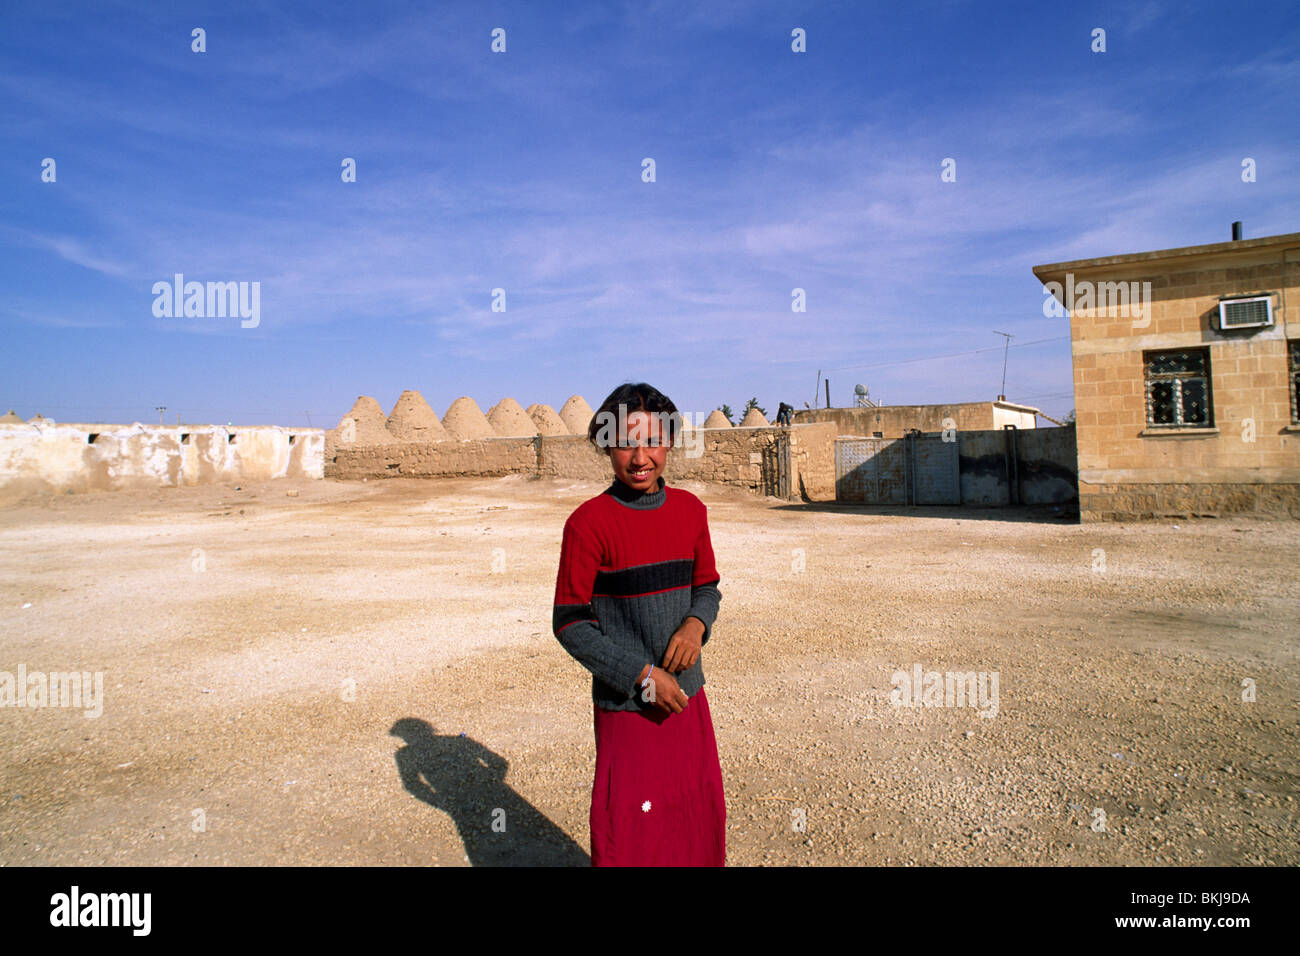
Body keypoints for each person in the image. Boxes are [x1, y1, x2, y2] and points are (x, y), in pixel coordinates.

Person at [551, 382, 726, 866]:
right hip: (628, 709)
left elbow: (707, 586)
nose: (640, 457)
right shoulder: (588, 524)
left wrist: (696, 625)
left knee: (693, 819)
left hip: (687, 701)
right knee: (629, 830)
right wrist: (642, 676)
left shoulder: (691, 512)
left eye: (652, 441)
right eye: (626, 442)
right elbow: (569, 622)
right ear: (608, 447)